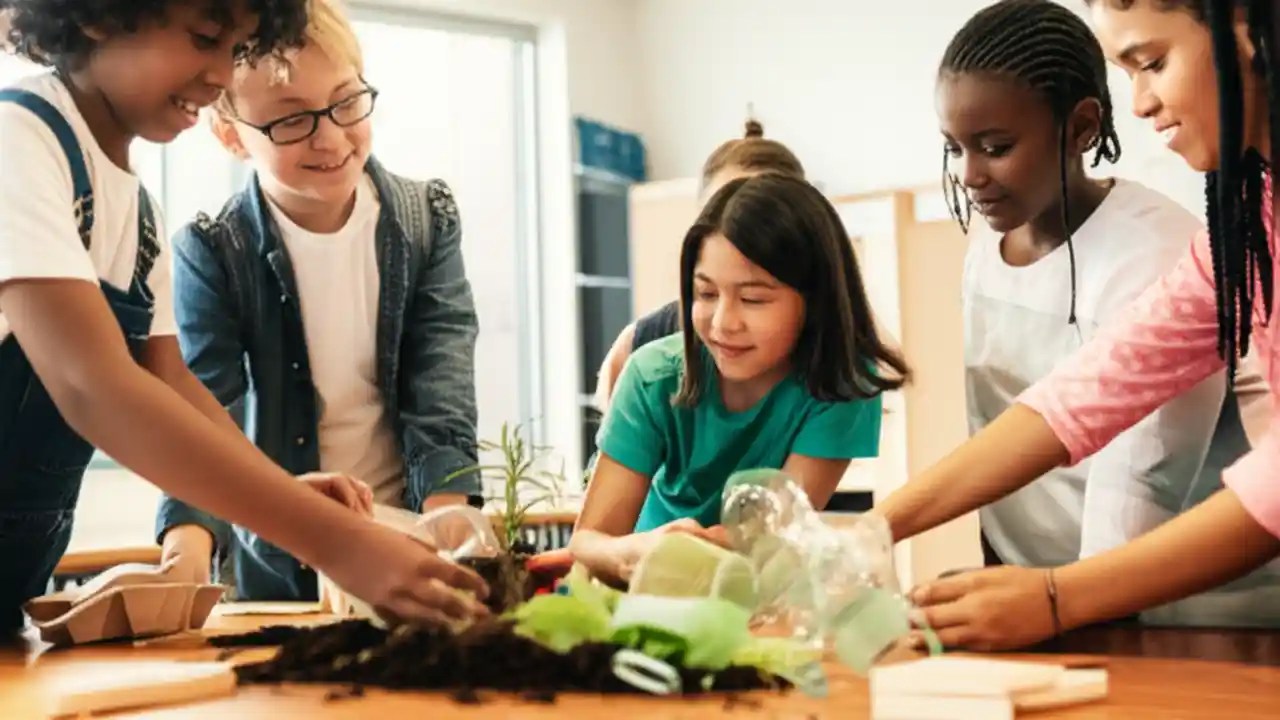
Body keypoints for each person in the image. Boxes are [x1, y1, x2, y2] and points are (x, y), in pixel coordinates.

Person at [0, 0, 487, 637]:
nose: (221, 74)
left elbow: (175, 387)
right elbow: (95, 385)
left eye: (234, 50)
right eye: (205, 38)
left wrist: (280, 495)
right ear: (99, 15)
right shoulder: (18, 140)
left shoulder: (136, 210)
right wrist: (335, 541)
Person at [879, 0, 1280, 651]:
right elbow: (1089, 391)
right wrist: (874, 527)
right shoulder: (1250, 217)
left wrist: (1057, 597)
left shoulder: (1154, 243)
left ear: (1251, 28)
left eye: (1152, 63)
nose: (1142, 103)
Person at [153, 0, 483, 601]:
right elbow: (201, 413)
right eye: (290, 119)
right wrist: (182, 560)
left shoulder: (425, 222)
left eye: (347, 101)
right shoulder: (212, 250)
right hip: (284, 555)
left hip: (408, 537)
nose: (330, 136)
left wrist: (448, 524)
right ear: (230, 134)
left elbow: (443, 380)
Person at [569, 175, 908, 584]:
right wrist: (627, 553)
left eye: (752, 299)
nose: (723, 323)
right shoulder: (652, 377)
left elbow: (770, 535)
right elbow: (588, 542)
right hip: (639, 587)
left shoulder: (841, 385)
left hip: (754, 592)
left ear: (815, 302)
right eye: (706, 294)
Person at [593, 120, 805, 411]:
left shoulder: (831, 355)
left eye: (764, 217)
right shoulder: (641, 347)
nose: (737, 231)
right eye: (721, 209)